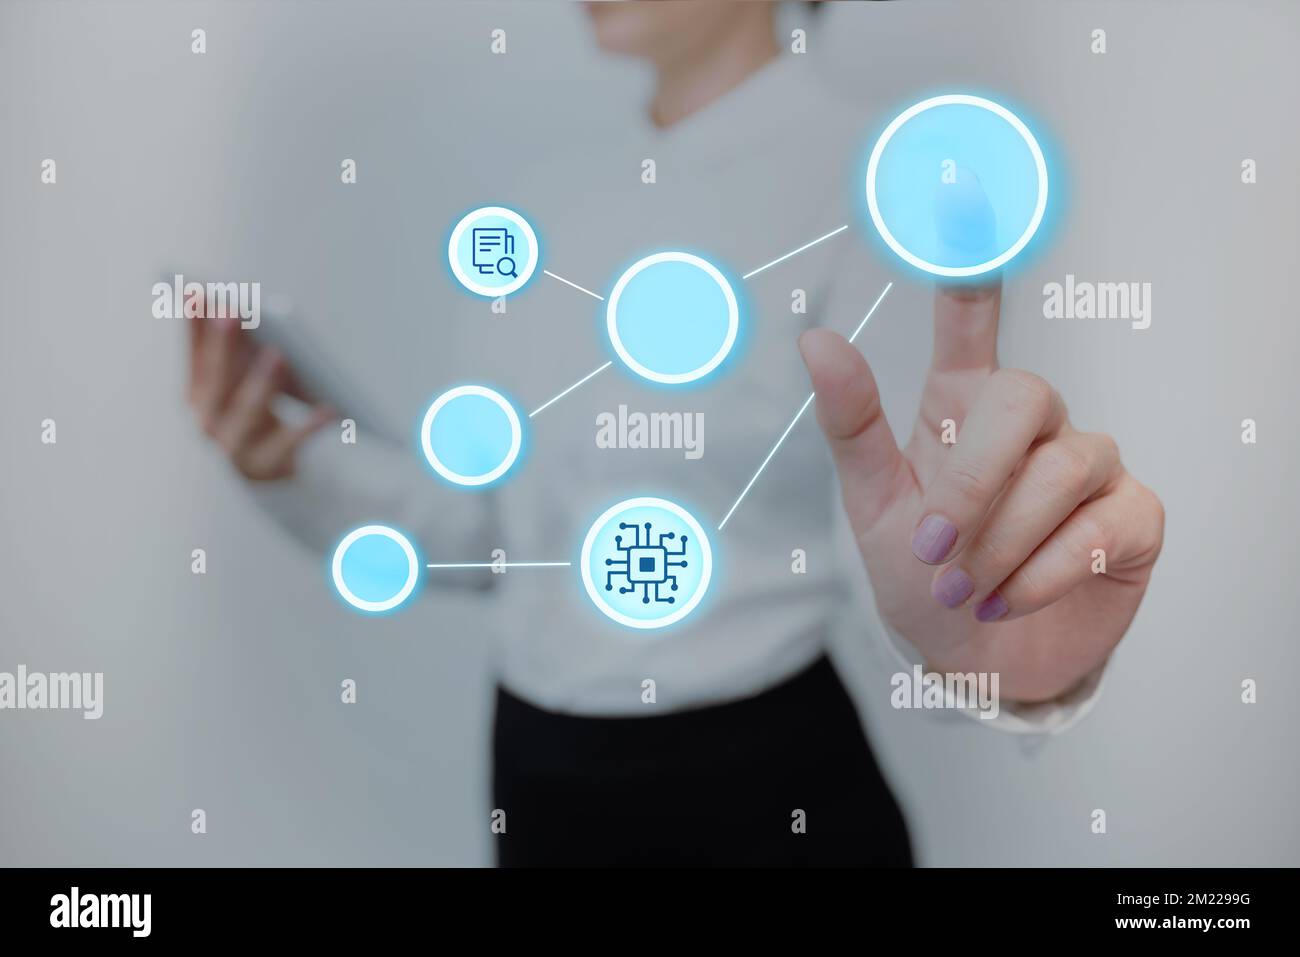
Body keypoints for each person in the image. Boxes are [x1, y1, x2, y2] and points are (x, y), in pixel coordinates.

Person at [186, 1, 1163, 866]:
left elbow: (904, 545)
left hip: (755, 787)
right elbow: (499, 533)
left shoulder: (880, 191)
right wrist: (297, 467)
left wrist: (1002, 651)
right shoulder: (549, 210)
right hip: (534, 783)